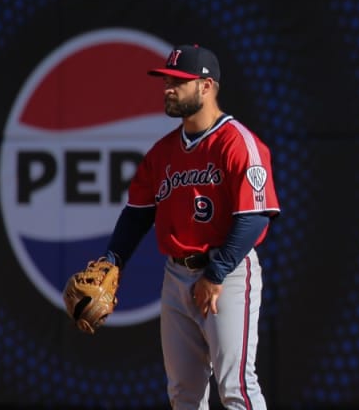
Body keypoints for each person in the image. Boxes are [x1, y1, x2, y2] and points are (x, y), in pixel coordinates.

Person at [96, 44, 280, 410]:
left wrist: (216, 273)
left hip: (226, 276)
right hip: (176, 275)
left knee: (236, 388)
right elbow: (137, 214)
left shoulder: (238, 144)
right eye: (167, 79)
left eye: (179, 81)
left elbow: (254, 217)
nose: (168, 87)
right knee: (183, 394)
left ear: (207, 86)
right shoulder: (162, 152)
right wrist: (112, 260)